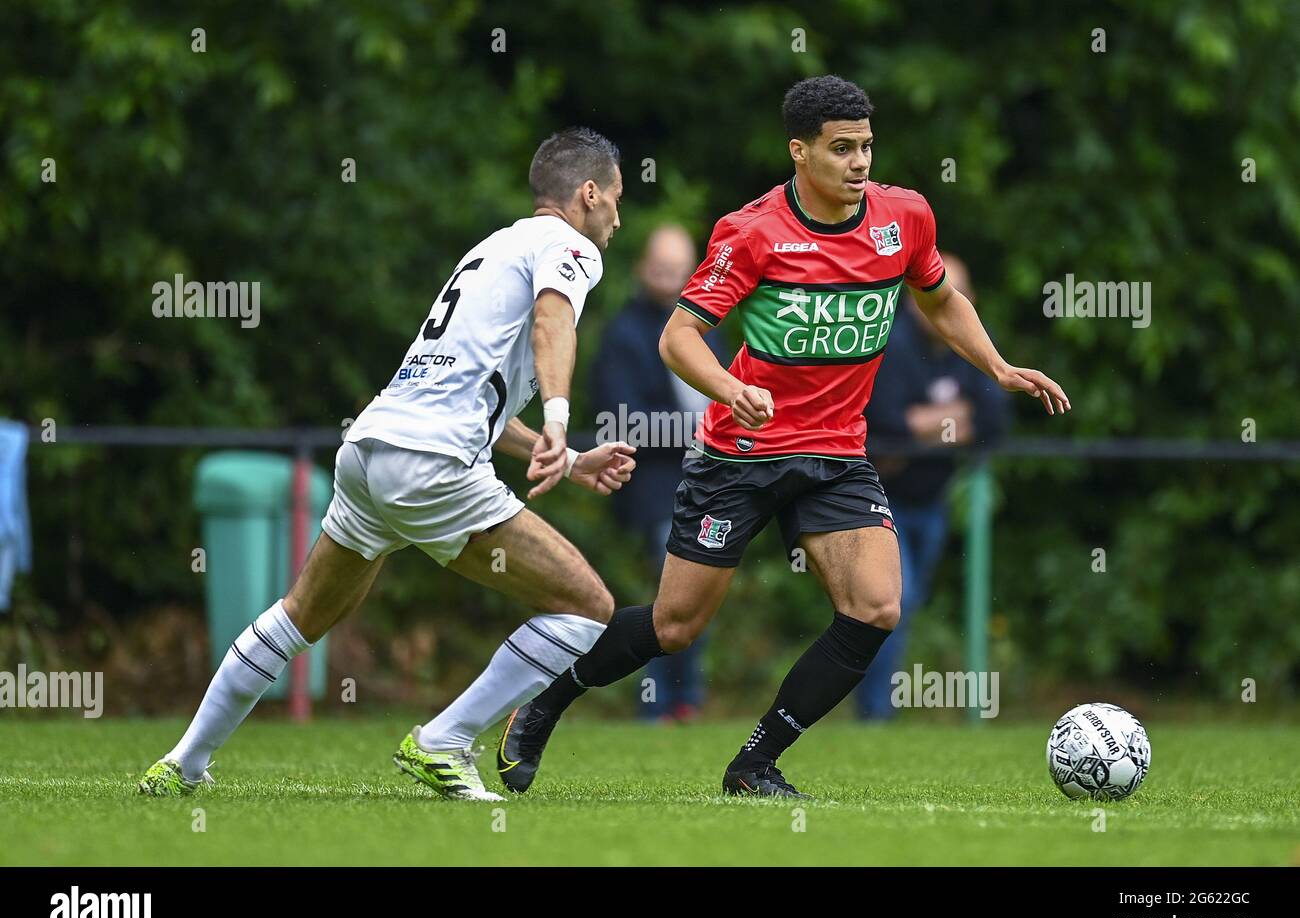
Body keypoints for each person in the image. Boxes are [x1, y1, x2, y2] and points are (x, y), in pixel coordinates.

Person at [497, 75, 1069, 798]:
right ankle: (545, 703)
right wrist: (731, 389)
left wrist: (997, 366)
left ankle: (754, 763)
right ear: (800, 152)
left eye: (866, 146)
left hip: (836, 454)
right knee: (675, 627)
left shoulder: (905, 218)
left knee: (876, 608)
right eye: (841, 149)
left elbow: (939, 296)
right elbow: (680, 340)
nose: (860, 162)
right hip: (741, 455)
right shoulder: (754, 231)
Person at [139, 127, 636, 801]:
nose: (617, 215)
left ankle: (183, 762)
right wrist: (557, 417)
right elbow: (555, 323)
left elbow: (474, 395)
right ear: (587, 193)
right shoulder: (569, 246)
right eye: (614, 198)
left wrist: (568, 459)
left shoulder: (494, 246)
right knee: (586, 606)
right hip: (430, 463)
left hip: (370, 449)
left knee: (299, 615)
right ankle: (442, 742)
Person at [855, 252, 1009, 719]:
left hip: (935, 500)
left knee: (904, 605)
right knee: (890, 604)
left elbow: (995, 421)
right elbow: (884, 423)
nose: (945, 302)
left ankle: (877, 711)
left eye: (956, 294)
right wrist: (956, 418)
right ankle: (874, 714)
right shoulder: (891, 344)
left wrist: (924, 422)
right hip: (881, 497)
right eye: (936, 294)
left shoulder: (976, 347)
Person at [589, 224, 729, 721]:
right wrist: (698, 428)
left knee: (695, 600)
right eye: (660, 267)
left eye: (678, 269)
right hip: (655, 493)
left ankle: (682, 700)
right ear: (642, 268)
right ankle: (657, 702)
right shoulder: (624, 334)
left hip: (711, 487)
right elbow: (620, 420)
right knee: (673, 601)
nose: (669, 279)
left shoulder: (713, 327)